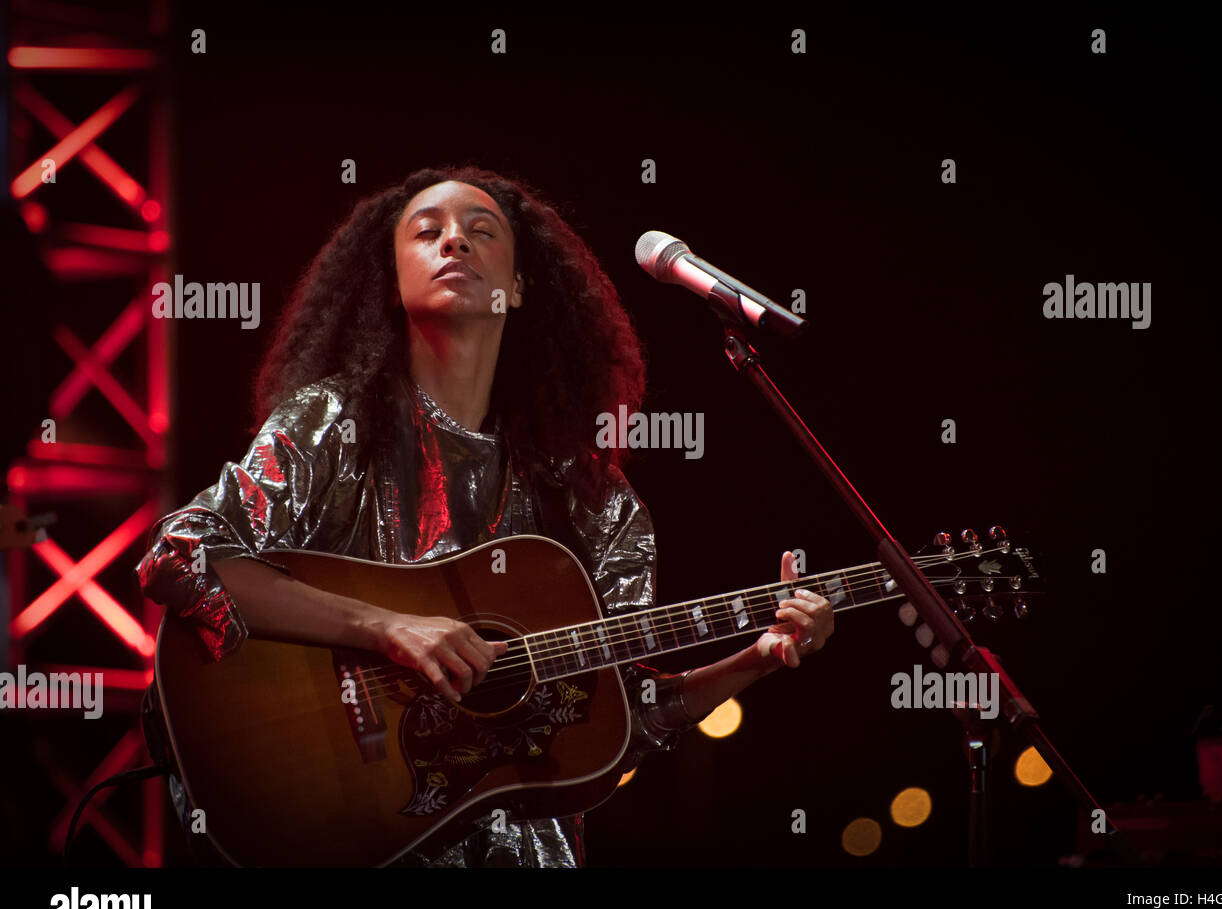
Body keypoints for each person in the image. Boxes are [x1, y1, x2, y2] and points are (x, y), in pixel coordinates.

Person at [135, 165, 834, 867]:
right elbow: (180, 557)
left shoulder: (596, 501)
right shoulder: (333, 423)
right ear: (392, 277)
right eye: (426, 232)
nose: (454, 244)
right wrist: (387, 628)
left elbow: (627, 720)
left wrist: (755, 660)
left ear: (521, 284)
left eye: (480, 232)